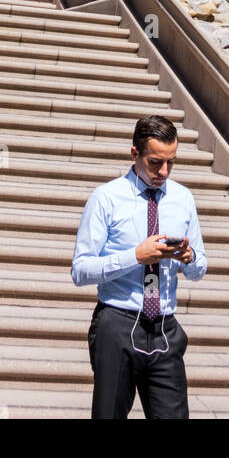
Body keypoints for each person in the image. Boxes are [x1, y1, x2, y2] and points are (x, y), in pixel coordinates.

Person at [71, 114, 207, 420]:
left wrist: (189, 258)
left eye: (171, 162)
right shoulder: (106, 198)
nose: (164, 171)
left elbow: (200, 268)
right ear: (135, 153)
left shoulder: (183, 199)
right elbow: (80, 270)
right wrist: (135, 256)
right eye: (155, 162)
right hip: (117, 323)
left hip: (165, 329)